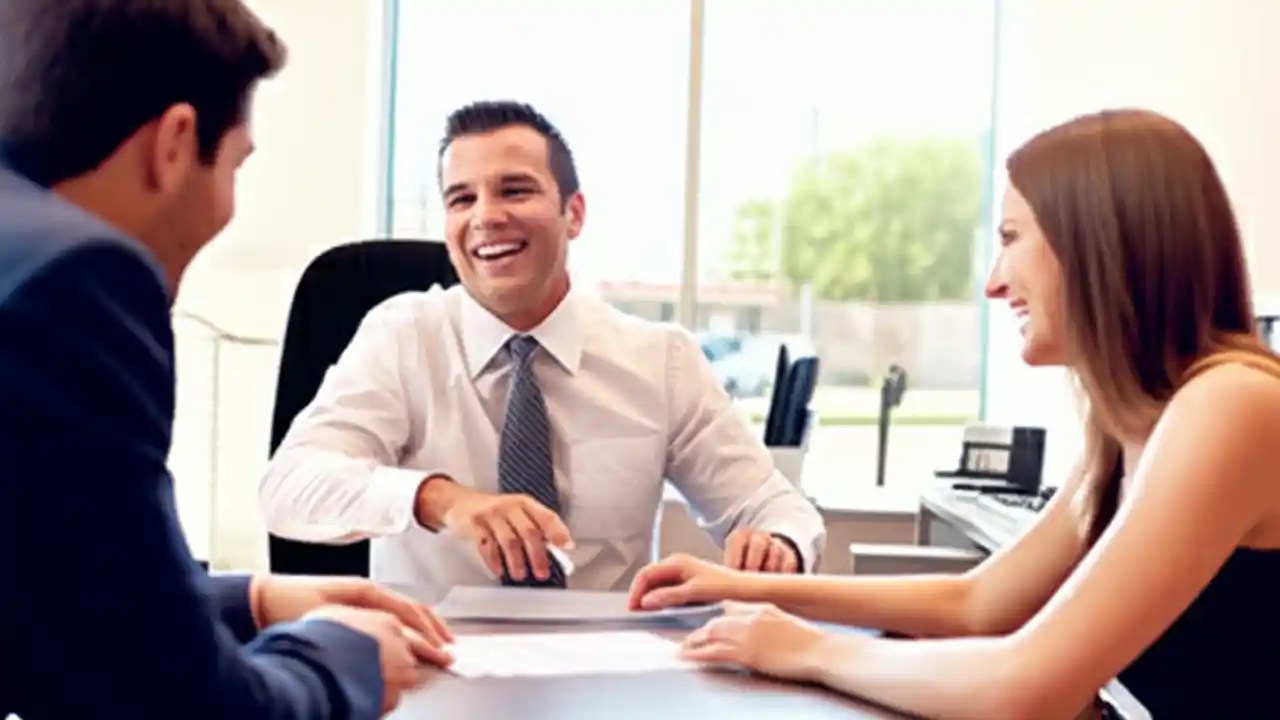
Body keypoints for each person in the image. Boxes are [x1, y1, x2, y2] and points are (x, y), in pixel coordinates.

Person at [627, 109, 1280, 719]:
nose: (995, 282)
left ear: (1097, 244)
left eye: (1011, 238)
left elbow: (1029, 685)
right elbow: (979, 603)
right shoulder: (1133, 427)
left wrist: (808, 649)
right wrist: (746, 589)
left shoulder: (1231, 404)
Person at [0, 1, 454, 718]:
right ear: (175, 143)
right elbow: (174, 703)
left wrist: (254, 600)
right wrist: (341, 656)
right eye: (237, 165)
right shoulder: (76, 278)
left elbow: (58, 595)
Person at [259, 100, 825, 593]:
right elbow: (289, 486)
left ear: (573, 214)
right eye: (461, 198)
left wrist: (777, 543)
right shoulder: (402, 336)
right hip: (430, 655)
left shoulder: (661, 360)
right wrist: (442, 500)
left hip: (602, 662)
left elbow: (774, 506)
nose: (486, 216)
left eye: (514, 190)